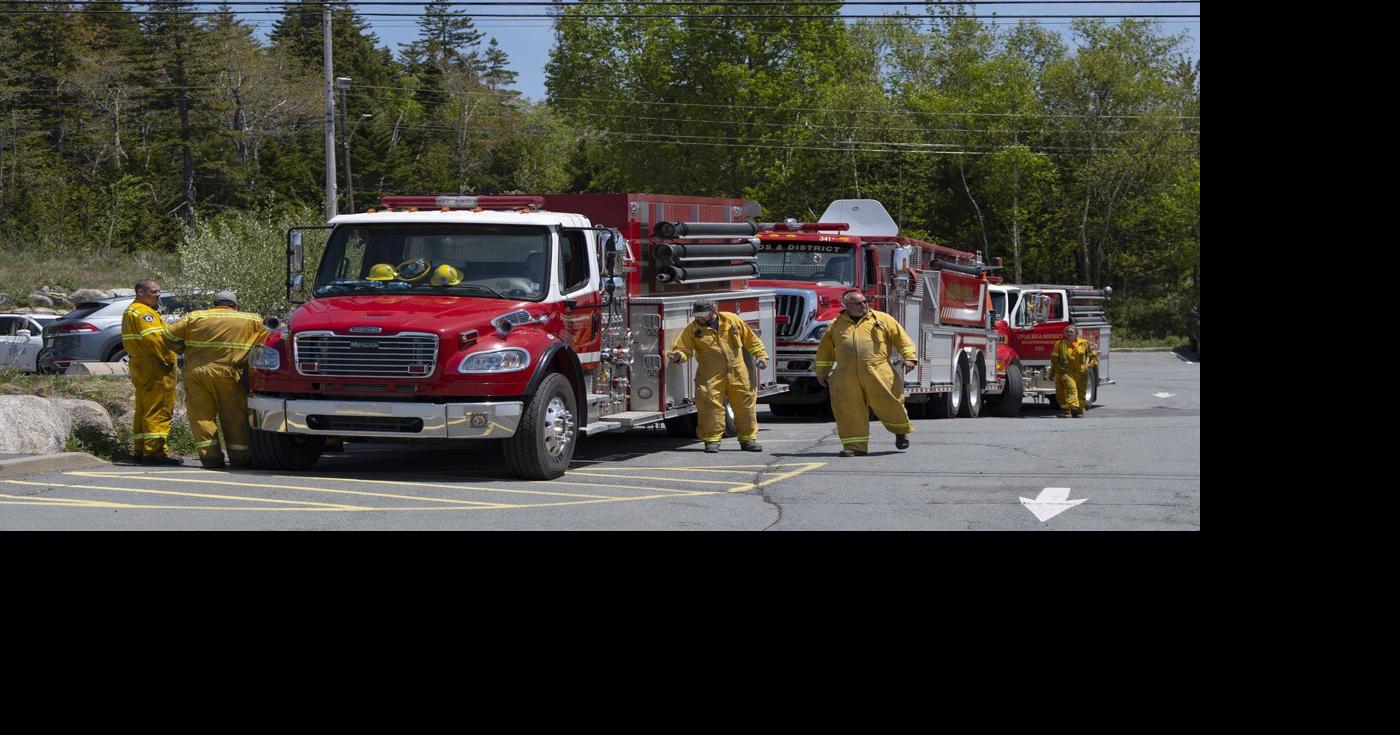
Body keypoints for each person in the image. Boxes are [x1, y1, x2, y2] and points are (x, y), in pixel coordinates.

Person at [162, 291, 268, 468]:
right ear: (235, 306)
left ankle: (210, 458)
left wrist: (182, 348)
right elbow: (270, 338)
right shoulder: (252, 320)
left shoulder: (195, 317)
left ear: (215, 304)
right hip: (231, 374)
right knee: (234, 417)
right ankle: (240, 458)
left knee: (202, 416)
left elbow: (168, 336)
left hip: (196, 374)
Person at [814, 290, 917, 456]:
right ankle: (855, 447)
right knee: (849, 410)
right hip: (845, 375)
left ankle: (901, 432)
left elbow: (902, 339)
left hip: (878, 370)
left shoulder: (883, 319)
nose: (864, 305)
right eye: (858, 303)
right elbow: (825, 351)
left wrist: (909, 358)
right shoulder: (836, 324)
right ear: (846, 306)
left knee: (891, 403)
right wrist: (822, 372)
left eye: (865, 301)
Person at [668, 298, 768, 453]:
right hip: (710, 375)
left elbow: (751, 339)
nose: (699, 318)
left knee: (745, 406)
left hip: (738, 373)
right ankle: (712, 441)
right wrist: (678, 356)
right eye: (697, 315)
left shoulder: (732, 321)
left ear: (713, 312)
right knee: (709, 406)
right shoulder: (692, 329)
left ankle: (748, 440)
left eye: (702, 315)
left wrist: (761, 356)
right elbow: (684, 348)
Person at [121, 279, 180, 465]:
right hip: (155, 366)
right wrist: (169, 360)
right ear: (140, 292)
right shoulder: (145, 313)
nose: (158, 295)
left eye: (158, 291)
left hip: (140, 365)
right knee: (159, 407)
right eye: (153, 292)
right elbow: (156, 340)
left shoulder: (131, 311)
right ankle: (155, 451)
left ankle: (140, 448)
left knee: (144, 408)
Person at [1050, 325, 1097, 418]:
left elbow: (1092, 356)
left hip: (1081, 372)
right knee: (1071, 388)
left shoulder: (1084, 343)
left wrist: (1089, 365)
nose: (1069, 333)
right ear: (1065, 334)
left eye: (1071, 332)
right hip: (1067, 372)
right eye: (1067, 332)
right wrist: (1059, 368)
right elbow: (1054, 359)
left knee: (1081, 392)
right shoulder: (1060, 344)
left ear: (1076, 333)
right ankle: (1073, 408)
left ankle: (1079, 411)